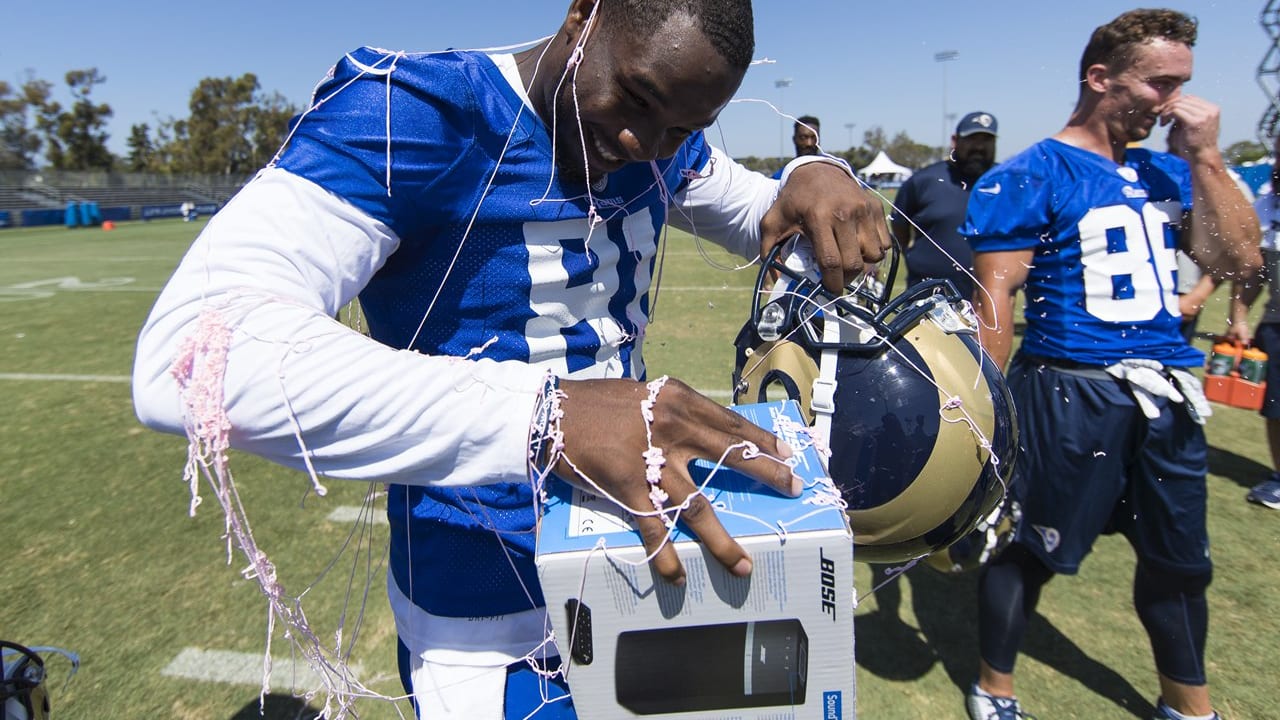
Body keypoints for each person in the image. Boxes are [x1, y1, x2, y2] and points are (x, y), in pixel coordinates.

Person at [129, 1, 889, 718]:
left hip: (641, 564)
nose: (644, 146)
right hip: (487, 617)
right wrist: (547, 413)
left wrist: (814, 177)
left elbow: (765, 211)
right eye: (635, 98)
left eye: (683, 125)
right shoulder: (418, 112)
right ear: (583, 14)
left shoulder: (664, 135)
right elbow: (191, 354)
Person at [960, 9, 1261, 720]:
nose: (1177, 103)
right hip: (1070, 389)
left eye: (1183, 84)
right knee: (1027, 548)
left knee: (1182, 564)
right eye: (1160, 85)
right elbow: (994, 298)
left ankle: (1189, 704)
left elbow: (1241, 261)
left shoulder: (1172, 169)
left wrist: (1208, 159)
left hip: (1168, 393)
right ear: (1100, 78)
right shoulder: (1031, 172)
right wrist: (983, 416)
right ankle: (993, 685)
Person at [890, 110, 998, 301]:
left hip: (989, 300)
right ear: (955, 140)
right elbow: (899, 225)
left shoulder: (1007, 182)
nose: (979, 147)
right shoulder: (924, 180)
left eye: (987, 140)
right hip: (929, 301)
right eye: (972, 139)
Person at [1226, 133, 1280, 509]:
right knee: (1276, 408)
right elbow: (1252, 273)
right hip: (1276, 323)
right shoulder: (1267, 206)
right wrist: (1240, 316)